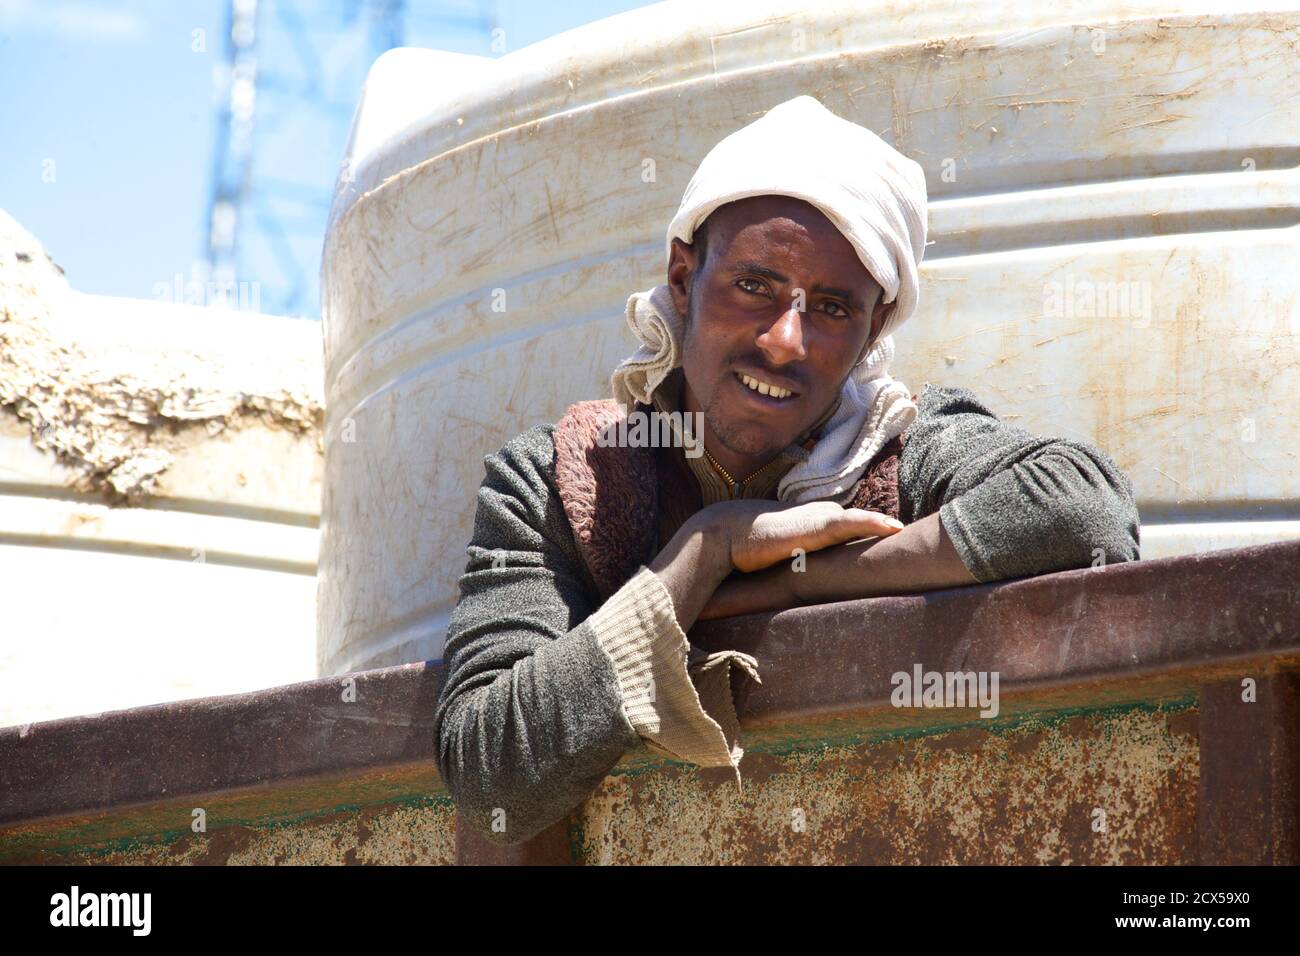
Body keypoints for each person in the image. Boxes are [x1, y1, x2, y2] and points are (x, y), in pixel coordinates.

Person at [431, 96, 1140, 845]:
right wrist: (705, 549)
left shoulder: (898, 450)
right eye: (754, 285)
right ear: (682, 278)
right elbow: (489, 773)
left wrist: (791, 579)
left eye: (832, 308)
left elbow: (1085, 510)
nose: (783, 341)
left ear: (874, 329)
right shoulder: (561, 478)